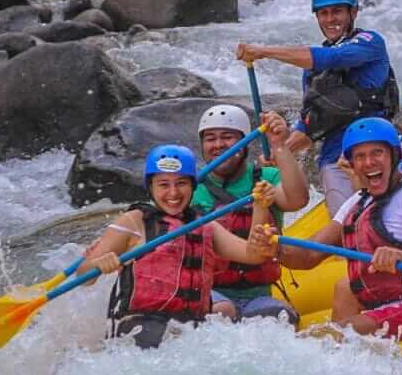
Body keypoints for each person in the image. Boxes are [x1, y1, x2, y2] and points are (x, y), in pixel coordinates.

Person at [274, 117, 402, 341]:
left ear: (393, 156)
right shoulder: (358, 203)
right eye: (360, 156)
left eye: (377, 153)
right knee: (345, 292)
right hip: (384, 304)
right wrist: (275, 249)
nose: (369, 162)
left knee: (327, 337)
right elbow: (309, 254)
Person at [78, 144, 277, 349]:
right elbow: (83, 275)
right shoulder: (133, 221)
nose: (173, 193)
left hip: (191, 327)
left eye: (181, 183)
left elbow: (253, 254)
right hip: (141, 326)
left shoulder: (205, 226)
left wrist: (260, 207)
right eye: (163, 184)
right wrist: (98, 264)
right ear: (151, 187)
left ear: (192, 187)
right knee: (164, 337)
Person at [235, 0, 399, 217]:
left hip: (377, 153)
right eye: (324, 13)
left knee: (387, 222)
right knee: (350, 225)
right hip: (336, 160)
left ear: (353, 12)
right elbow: (308, 127)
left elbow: (332, 58)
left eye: (337, 12)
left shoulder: (370, 43)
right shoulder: (312, 70)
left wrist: (264, 51)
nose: (331, 19)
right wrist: (280, 150)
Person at [194, 105, 308, 324]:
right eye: (210, 138)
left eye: (227, 137)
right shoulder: (190, 188)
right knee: (221, 312)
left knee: (281, 319)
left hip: (258, 296)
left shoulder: (266, 178)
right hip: (208, 292)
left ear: (245, 142)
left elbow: (297, 199)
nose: (218, 145)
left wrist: (278, 145)